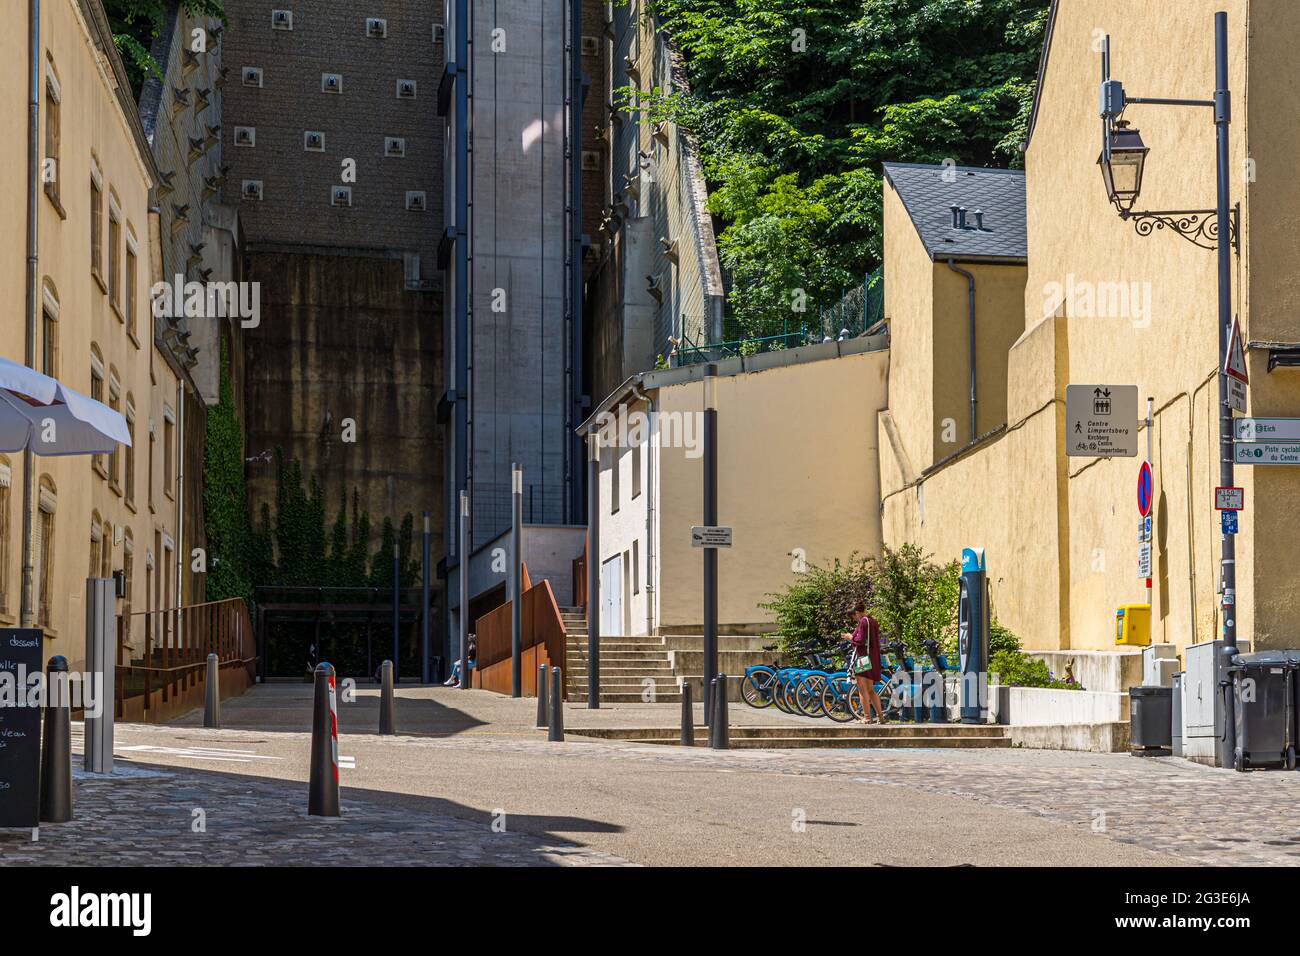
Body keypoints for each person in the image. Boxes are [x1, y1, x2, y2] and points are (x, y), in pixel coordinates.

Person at [844, 602, 885, 723]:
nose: (854, 619)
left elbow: (860, 640)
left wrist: (850, 637)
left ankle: (867, 717)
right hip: (872, 658)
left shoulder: (863, 621)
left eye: (853, 616)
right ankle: (881, 717)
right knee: (870, 689)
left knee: (862, 689)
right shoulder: (872, 620)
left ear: (857, 613)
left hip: (863, 659)